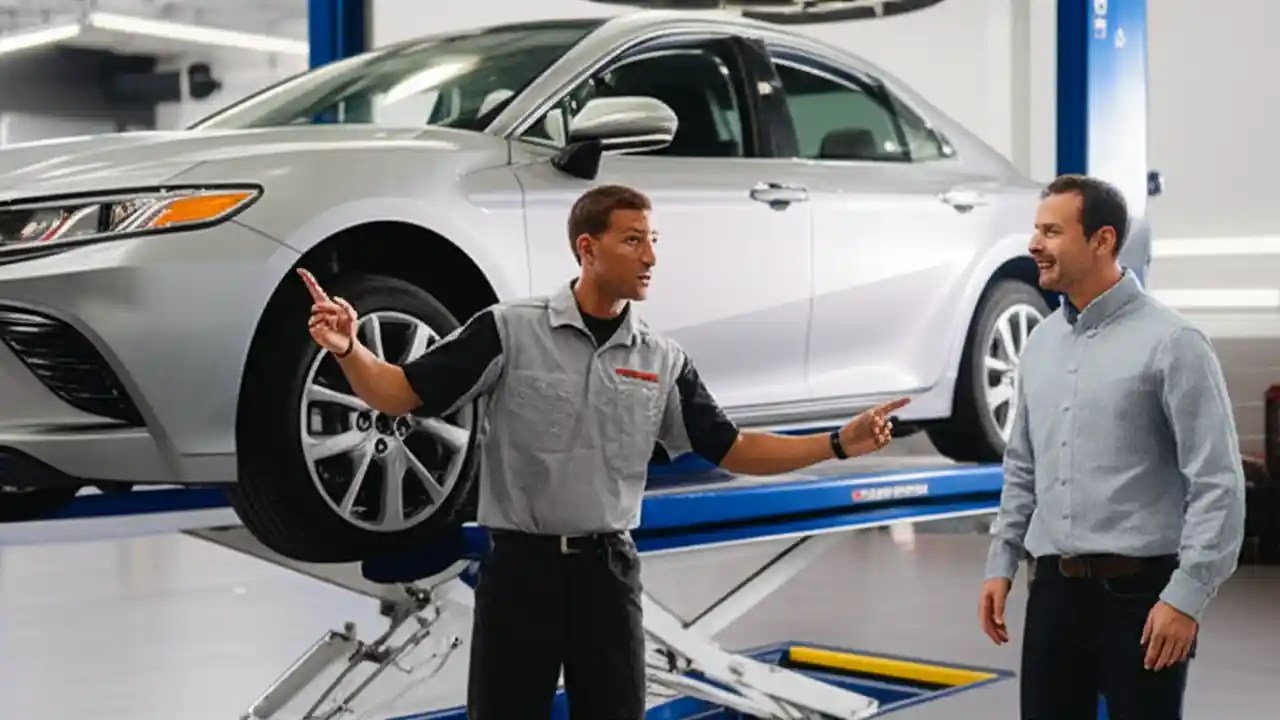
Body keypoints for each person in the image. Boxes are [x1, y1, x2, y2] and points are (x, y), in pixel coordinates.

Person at [299, 184, 910, 720]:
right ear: (586, 249)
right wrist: (351, 350)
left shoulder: (661, 359)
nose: (650, 257)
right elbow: (403, 393)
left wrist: (836, 443)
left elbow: (732, 448)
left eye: (653, 241)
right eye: (633, 241)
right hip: (520, 573)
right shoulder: (509, 330)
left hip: (608, 575)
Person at [978, 174, 1247, 719]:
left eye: (1052, 231)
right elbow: (1023, 466)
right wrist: (1000, 560)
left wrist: (1186, 596)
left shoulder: (1174, 344)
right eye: (1036, 229)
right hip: (1053, 592)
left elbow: (1217, 482)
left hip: (1143, 599)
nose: (1034, 245)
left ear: (1102, 240)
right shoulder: (1040, 343)